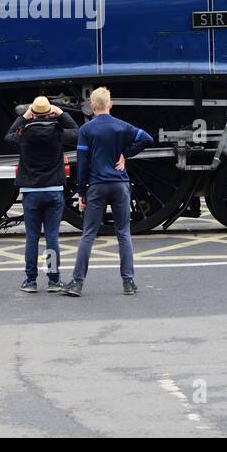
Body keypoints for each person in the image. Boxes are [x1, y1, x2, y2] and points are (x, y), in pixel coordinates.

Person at [60, 87, 153, 298]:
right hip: (120, 185)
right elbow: (147, 139)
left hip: (97, 186)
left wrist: (81, 191)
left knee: (89, 234)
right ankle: (128, 283)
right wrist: (126, 153)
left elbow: (82, 163)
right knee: (123, 233)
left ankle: (77, 283)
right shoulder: (122, 127)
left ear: (92, 107)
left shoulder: (86, 130)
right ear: (110, 105)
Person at [5, 96, 76, 293]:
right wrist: (62, 114)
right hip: (54, 191)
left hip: (31, 192)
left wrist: (23, 118)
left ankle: (30, 280)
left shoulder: (24, 134)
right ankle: (54, 280)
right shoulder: (57, 132)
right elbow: (79, 133)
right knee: (52, 237)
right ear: (50, 112)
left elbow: (8, 136)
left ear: (33, 113)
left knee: (32, 238)